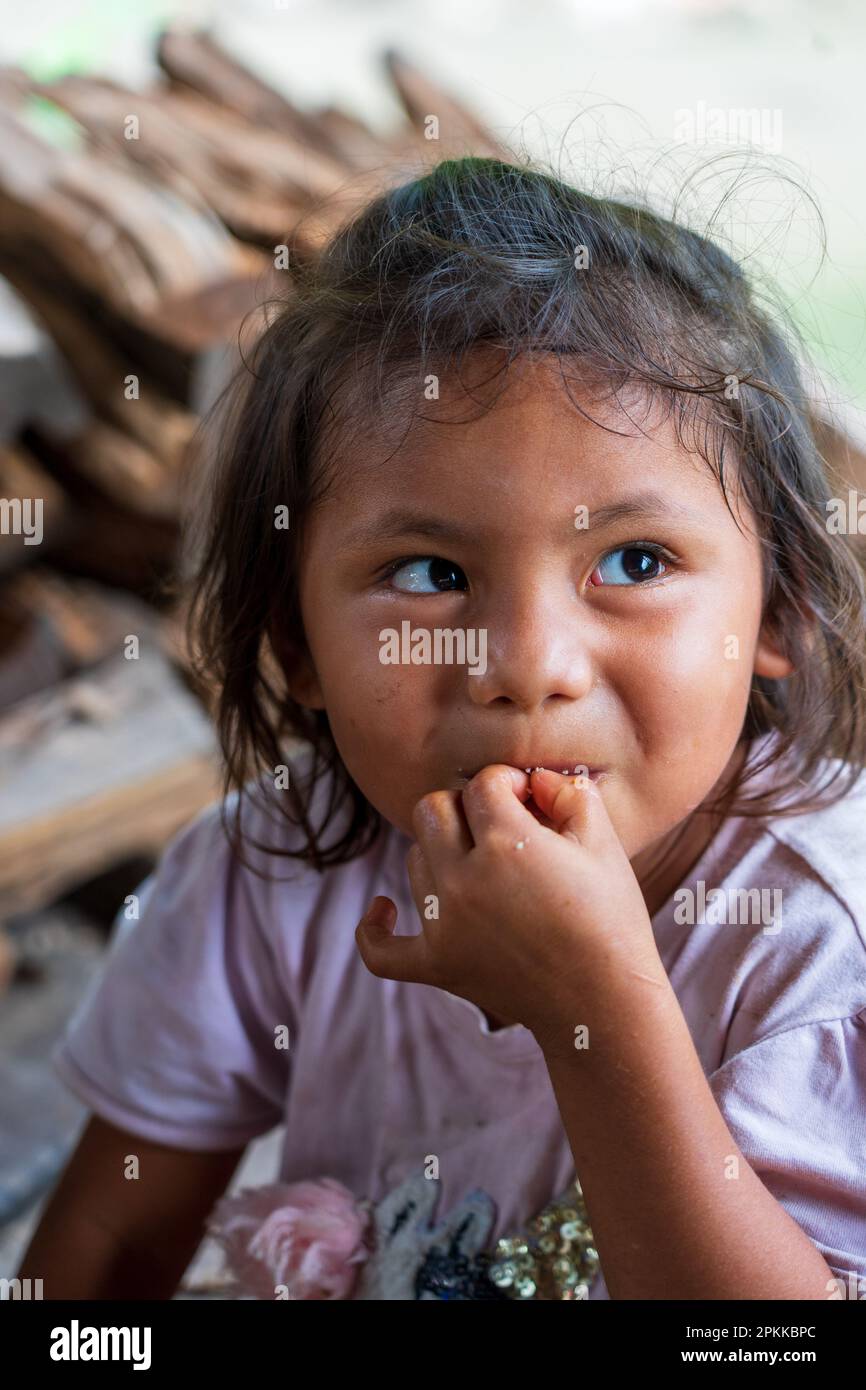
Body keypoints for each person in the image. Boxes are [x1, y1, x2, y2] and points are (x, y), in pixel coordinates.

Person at [19, 156, 866, 1299]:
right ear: (296, 645)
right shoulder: (267, 875)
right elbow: (106, 1256)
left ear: (779, 612)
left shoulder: (813, 941)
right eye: (427, 571)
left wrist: (594, 1014)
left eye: (633, 562)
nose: (523, 667)